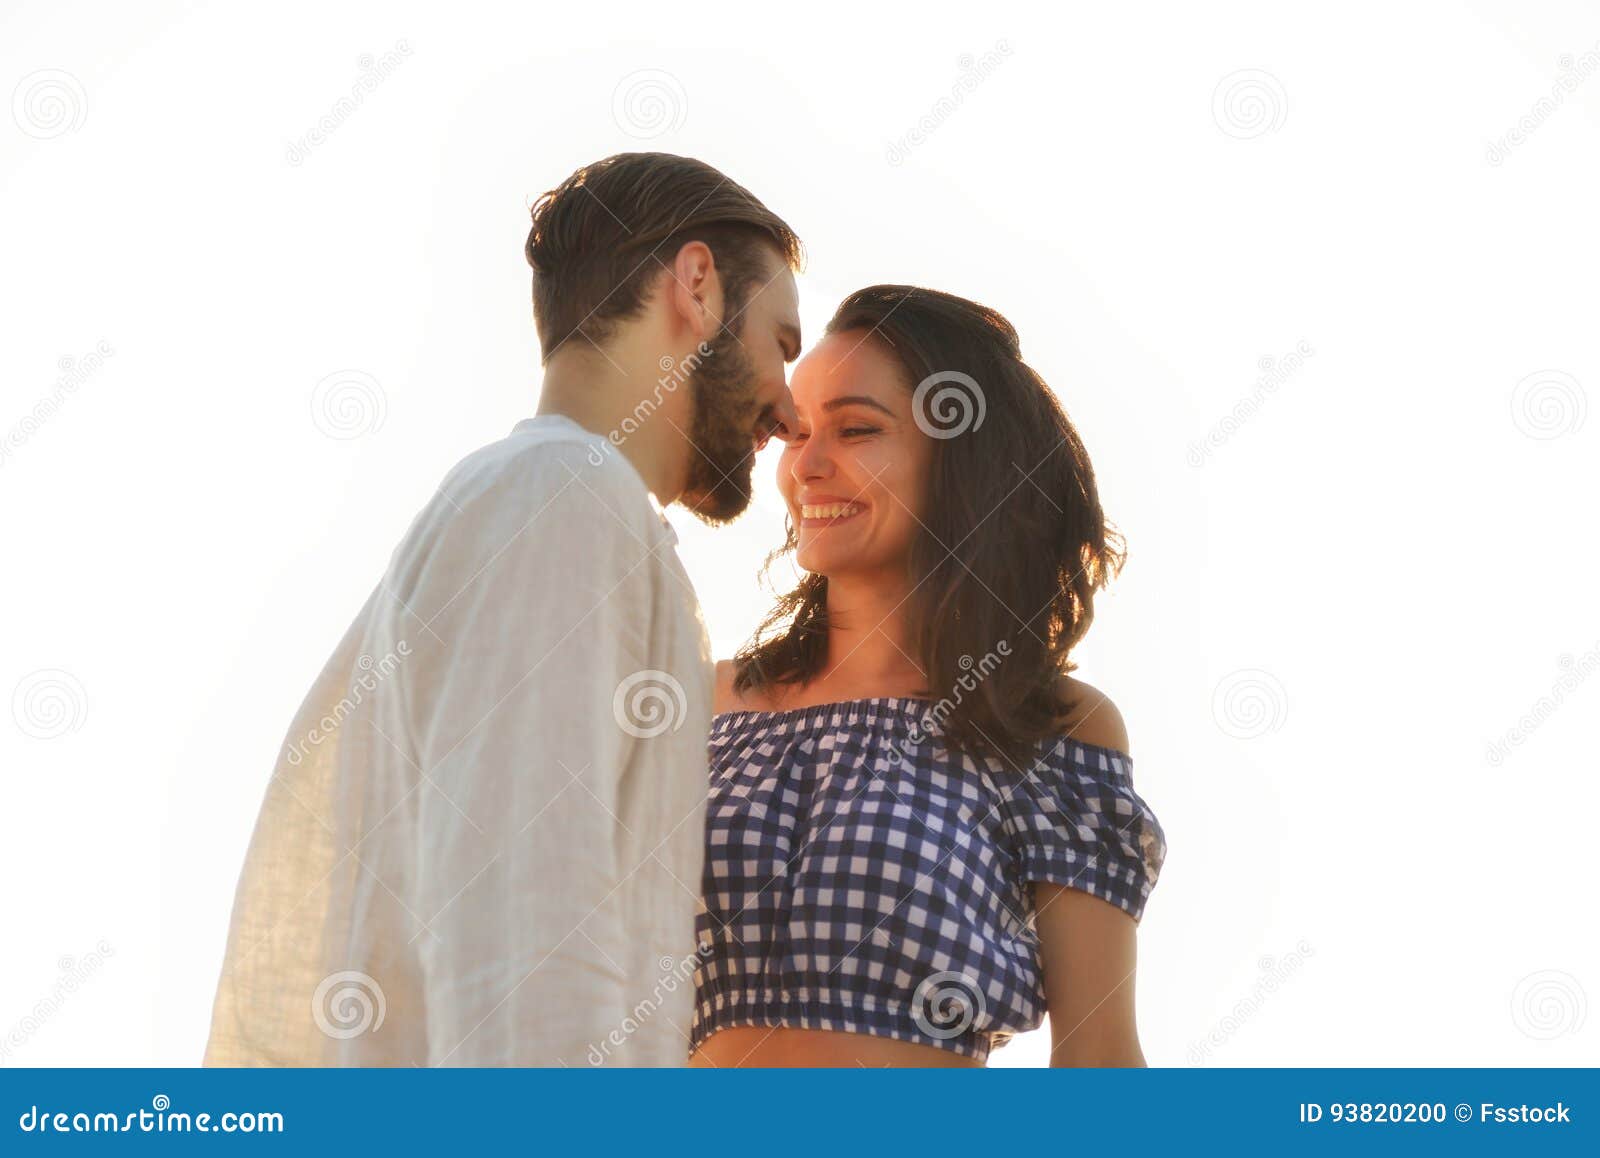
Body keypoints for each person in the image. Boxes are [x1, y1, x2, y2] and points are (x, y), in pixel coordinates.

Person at [203, 153, 803, 1066]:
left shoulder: (540, 502)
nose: (792, 414)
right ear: (697, 287)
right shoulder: (563, 500)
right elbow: (527, 953)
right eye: (782, 344)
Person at [687, 286, 1168, 1067]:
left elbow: (1099, 1060)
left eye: (857, 430)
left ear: (961, 460)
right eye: (797, 432)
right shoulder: (701, 705)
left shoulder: (1046, 722)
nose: (805, 465)